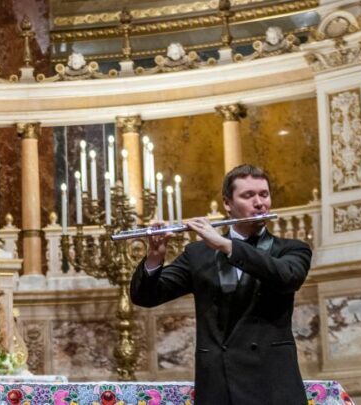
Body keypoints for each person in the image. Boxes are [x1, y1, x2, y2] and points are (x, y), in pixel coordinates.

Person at [130, 164, 311, 405]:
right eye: (248, 195)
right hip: (218, 386)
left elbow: (288, 277)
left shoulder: (291, 250)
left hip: (273, 385)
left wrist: (227, 246)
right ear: (227, 203)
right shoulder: (198, 254)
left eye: (264, 194)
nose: (259, 203)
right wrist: (154, 256)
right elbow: (146, 297)